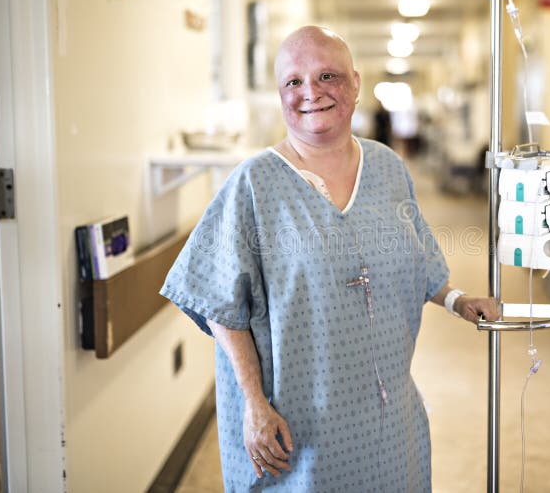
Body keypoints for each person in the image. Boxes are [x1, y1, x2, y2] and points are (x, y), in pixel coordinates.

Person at [160, 26, 499, 492]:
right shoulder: (254, 185)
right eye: (293, 82)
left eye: (327, 76)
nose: (311, 92)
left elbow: (415, 256)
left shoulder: (387, 168)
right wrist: (253, 403)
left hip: (388, 419)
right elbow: (218, 302)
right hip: (297, 426)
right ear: (280, 94)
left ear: (355, 84)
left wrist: (457, 299)